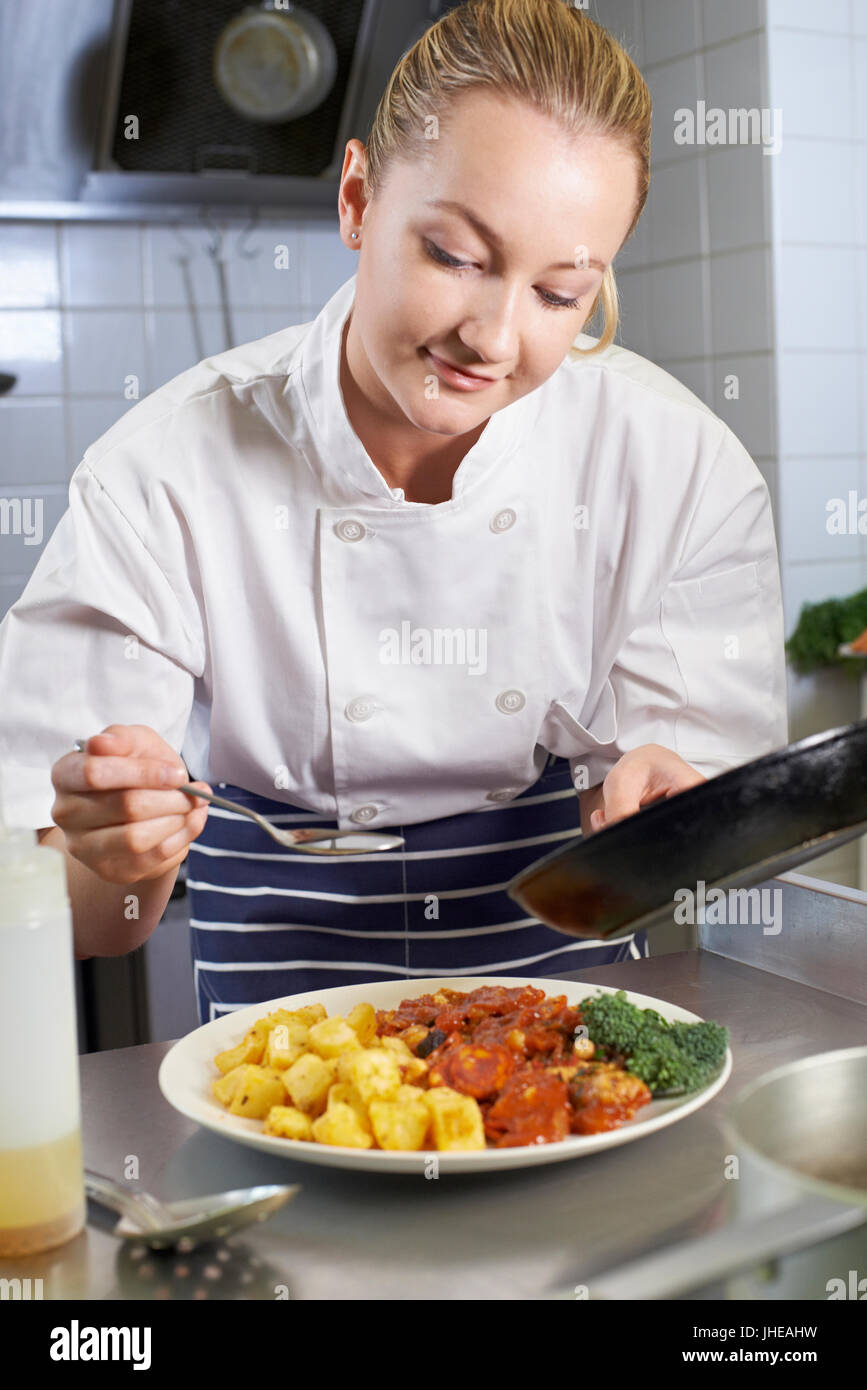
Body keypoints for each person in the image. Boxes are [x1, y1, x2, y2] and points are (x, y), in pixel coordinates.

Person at [0, 0, 787, 1024]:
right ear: (360, 198)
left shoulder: (675, 463)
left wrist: (672, 821)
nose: (492, 336)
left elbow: (712, 874)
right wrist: (113, 854)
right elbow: (82, 914)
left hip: (567, 1048)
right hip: (270, 1064)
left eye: (559, 294)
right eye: (456, 256)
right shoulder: (164, 469)